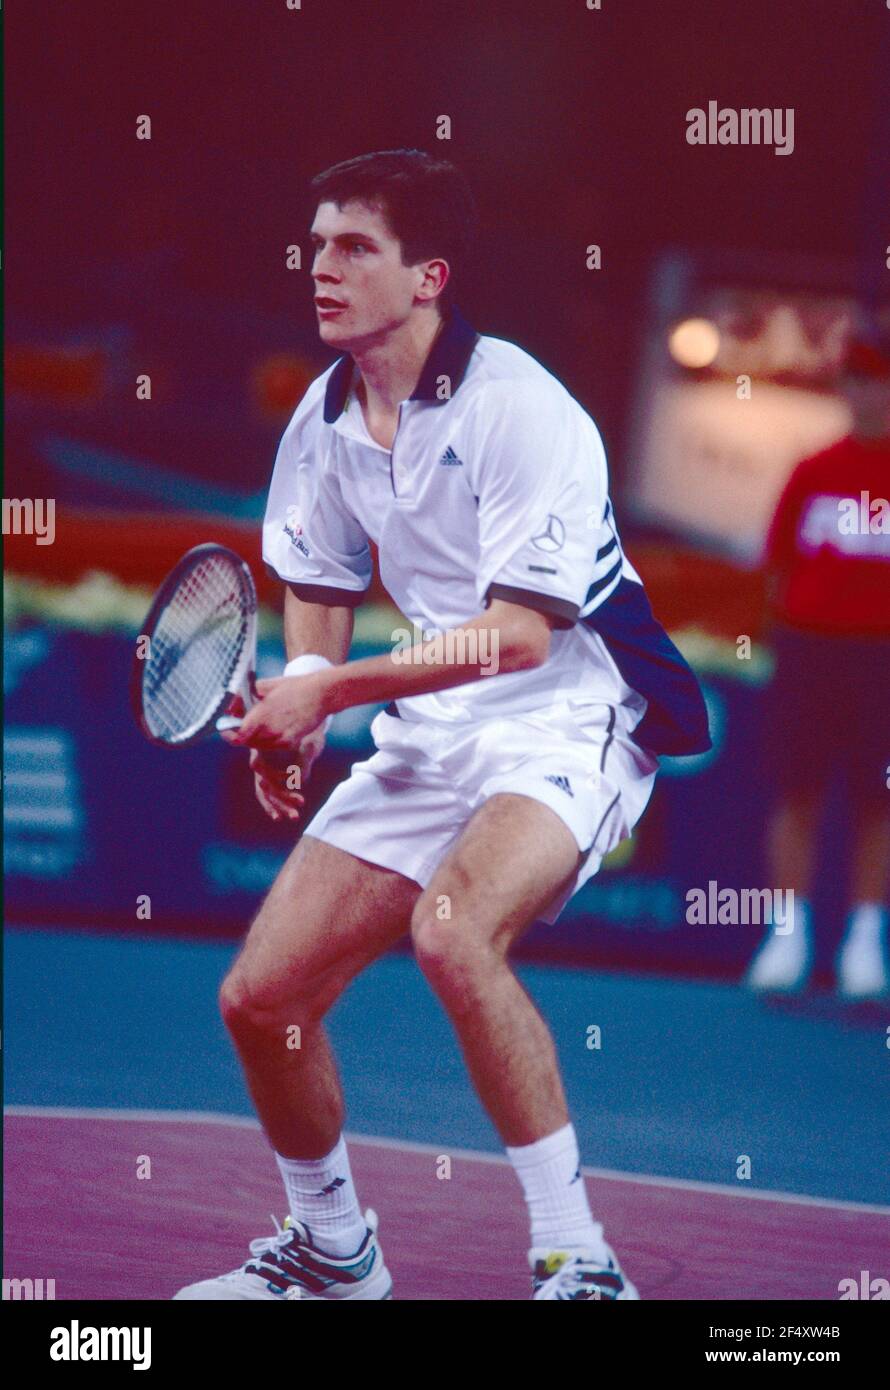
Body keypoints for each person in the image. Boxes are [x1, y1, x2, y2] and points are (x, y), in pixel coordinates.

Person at [174, 149, 710, 1302]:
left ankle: (578, 1257)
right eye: (316, 244)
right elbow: (317, 591)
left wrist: (329, 691)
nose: (321, 268)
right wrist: (299, 713)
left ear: (428, 276)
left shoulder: (522, 410)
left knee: (451, 930)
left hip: (569, 711)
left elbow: (517, 633)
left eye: (354, 248)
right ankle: (331, 1251)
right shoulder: (316, 425)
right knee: (259, 1000)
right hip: (433, 723)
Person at [746, 321, 890, 998]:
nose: (870, 395)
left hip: (882, 656)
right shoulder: (815, 471)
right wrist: (790, 638)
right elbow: (777, 568)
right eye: (860, 380)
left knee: (877, 800)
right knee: (795, 792)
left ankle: (865, 941)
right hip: (812, 650)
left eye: (882, 382)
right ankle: (786, 936)